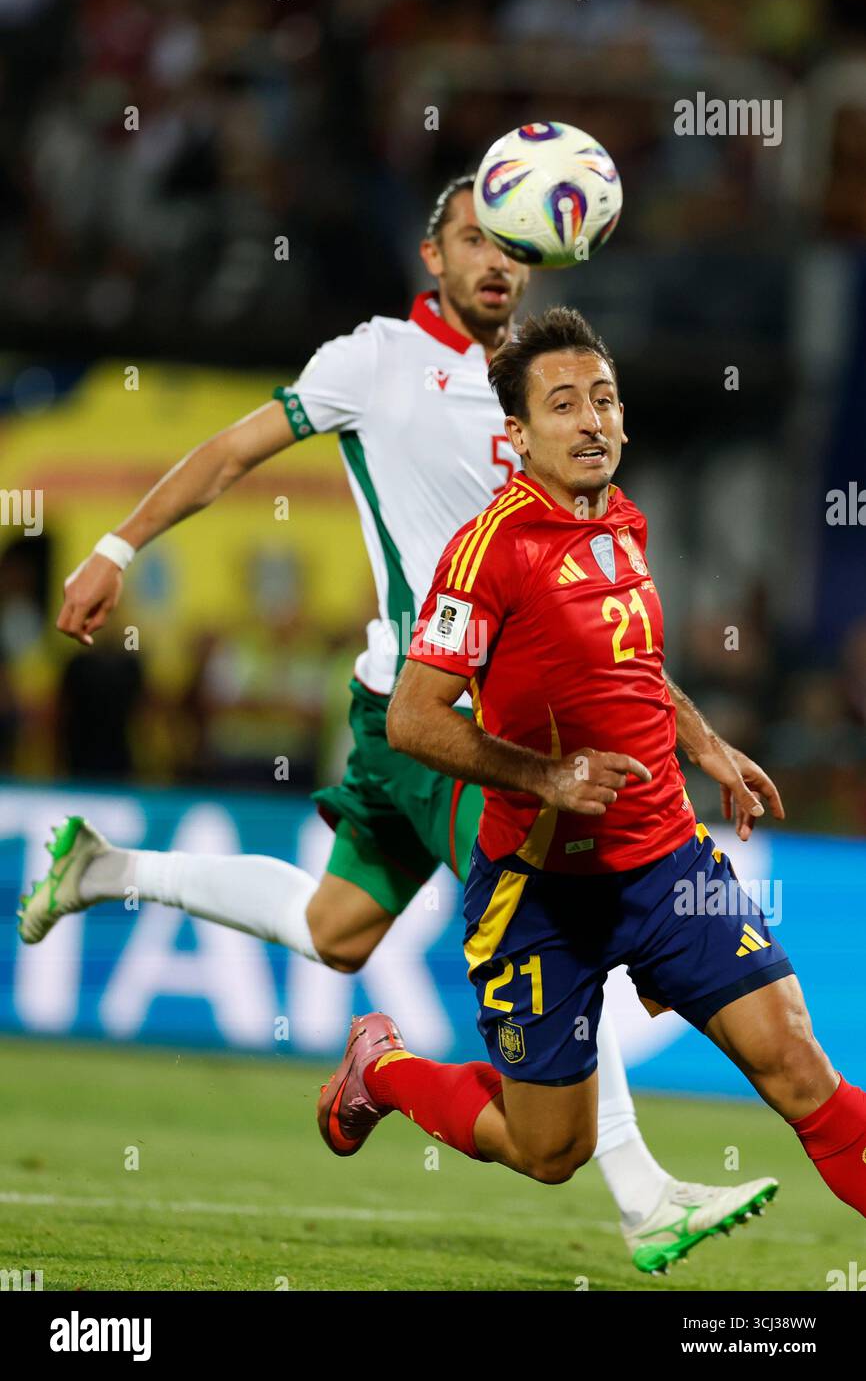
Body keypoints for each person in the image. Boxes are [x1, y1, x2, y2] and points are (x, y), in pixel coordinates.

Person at [21, 180, 779, 1273]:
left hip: (432, 713)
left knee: (336, 932)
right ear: (431, 252)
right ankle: (640, 1190)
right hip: (437, 719)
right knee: (549, 897)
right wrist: (119, 548)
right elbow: (232, 453)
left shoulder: (544, 392)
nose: (494, 261)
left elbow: (580, 613)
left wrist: (691, 733)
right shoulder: (370, 360)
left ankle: (104, 870)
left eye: (513, 244)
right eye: (473, 237)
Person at [318, 306, 866, 1227]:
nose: (591, 421)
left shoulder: (621, 520)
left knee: (798, 1067)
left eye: (603, 400)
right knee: (550, 1151)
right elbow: (413, 719)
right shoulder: (488, 554)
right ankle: (382, 1069)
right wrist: (544, 779)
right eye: (563, 404)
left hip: (665, 865)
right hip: (538, 892)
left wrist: (707, 747)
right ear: (519, 434)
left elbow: (637, 668)